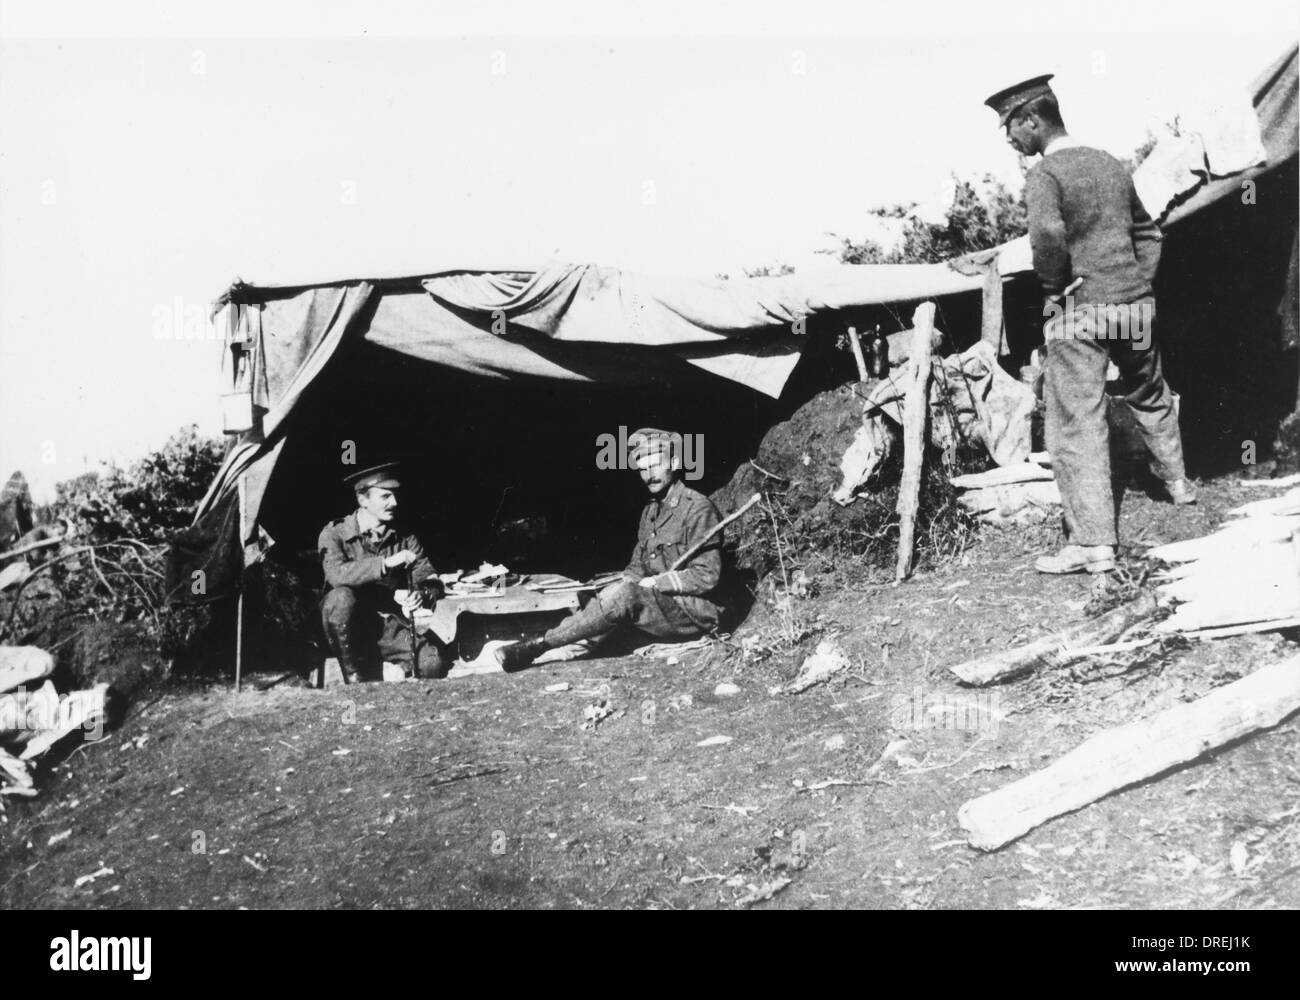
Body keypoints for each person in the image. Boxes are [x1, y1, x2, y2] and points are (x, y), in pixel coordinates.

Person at [986, 74, 1197, 575]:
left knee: (1075, 418)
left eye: (1010, 127)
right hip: (1134, 307)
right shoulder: (1109, 163)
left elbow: (1049, 239)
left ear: (1031, 119)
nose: (1010, 140)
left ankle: (1093, 545)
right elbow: (1149, 233)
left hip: (1078, 313)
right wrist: (1134, 283)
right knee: (1149, 389)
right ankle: (1180, 485)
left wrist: (1054, 289)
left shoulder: (1045, 176)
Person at [496, 428, 723, 671]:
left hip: (692, 611)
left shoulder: (697, 508)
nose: (649, 475)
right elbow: (638, 567)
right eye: (643, 469)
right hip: (662, 605)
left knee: (625, 595)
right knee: (606, 589)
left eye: (656, 465)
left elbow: (706, 575)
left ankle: (538, 645)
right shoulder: (651, 512)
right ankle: (565, 650)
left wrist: (656, 583)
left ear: (675, 463)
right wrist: (620, 582)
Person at [317, 463, 451, 681]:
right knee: (341, 597)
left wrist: (422, 593)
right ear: (363, 500)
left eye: (395, 496)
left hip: (384, 624)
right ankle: (353, 678)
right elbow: (336, 574)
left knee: (431, 665)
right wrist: (385, 563)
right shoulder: (335, 533)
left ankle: (375, 666)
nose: (394, 503)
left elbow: (429, 577)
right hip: (343, 626)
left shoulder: (403, 536)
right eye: (385, 497)